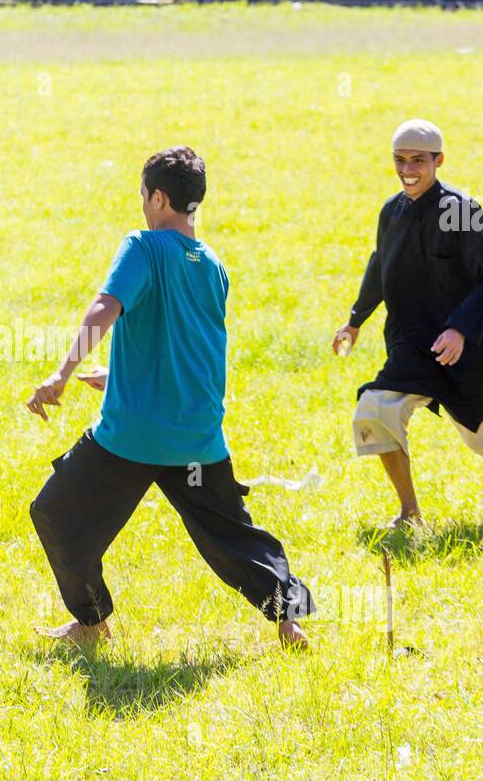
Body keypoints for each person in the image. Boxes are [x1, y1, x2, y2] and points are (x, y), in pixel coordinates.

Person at [26, 146, 313, 649]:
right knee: (232, 538)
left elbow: (105, 306)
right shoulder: (213, 265)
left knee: (56, 513)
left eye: (143, 194)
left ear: (159, 197)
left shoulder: (142, 245)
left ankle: (92, 624)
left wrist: (62, 371)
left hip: (132, 438)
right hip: (197, 438)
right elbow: (191, 345)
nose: (141, 205)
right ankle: (291, 620)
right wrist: (119, 375)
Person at [332, 119, 483, 527]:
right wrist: (355, 321)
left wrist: (460, 329)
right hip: (412, 344)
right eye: (400, 160)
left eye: (418, 160)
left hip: (468, 349)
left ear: (439, 161)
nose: (408, 169)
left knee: (482, 437)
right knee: (374, 410)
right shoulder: (390, 212)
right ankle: (410, 512)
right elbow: (381, 264)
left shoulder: (462, 211)